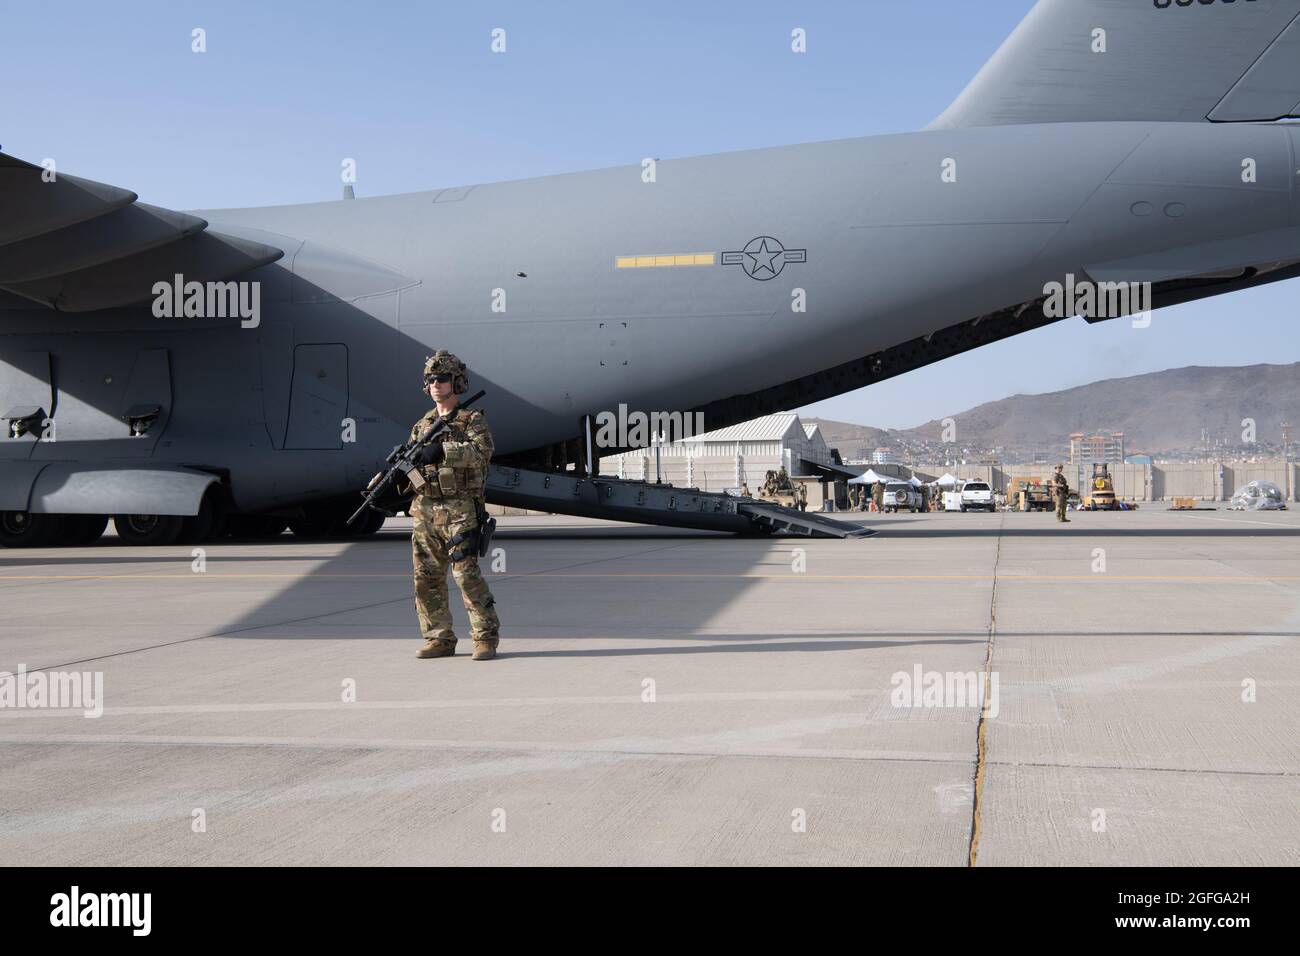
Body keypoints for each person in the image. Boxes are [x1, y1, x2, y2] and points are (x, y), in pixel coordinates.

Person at [406, 351, 501, 660]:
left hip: (460, 510)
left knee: (465, 574)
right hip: (426, 510)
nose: (435, 384)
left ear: (456, 382)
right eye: (431, 379)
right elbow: (414, 469)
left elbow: (481, 453)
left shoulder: (472, 420)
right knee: (427, 577)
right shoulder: (423, 425)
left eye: (442, 378)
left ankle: (485, 636)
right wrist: (399, 476)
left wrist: (442, 451)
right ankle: (439, 637)